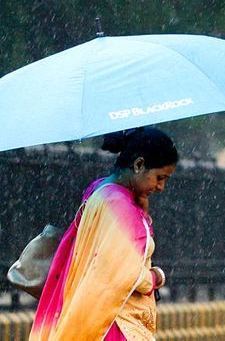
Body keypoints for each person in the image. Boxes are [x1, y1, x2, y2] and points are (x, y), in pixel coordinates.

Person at [30, 127, 178, 341]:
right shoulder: (121, 206)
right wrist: (156, 277)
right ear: (139, 165)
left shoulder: (100, 189)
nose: (161, 187)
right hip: (114, 321)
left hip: (89, 310)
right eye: (160, 177)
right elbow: (124, 272)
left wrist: (140, 207)